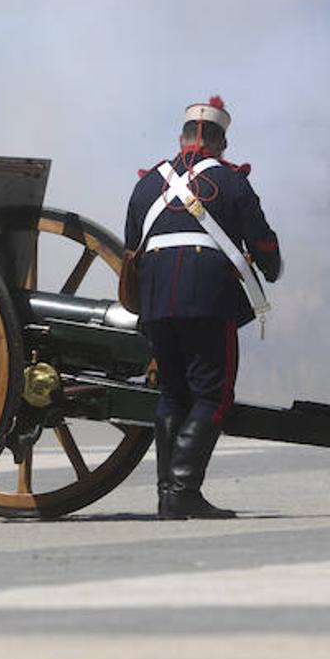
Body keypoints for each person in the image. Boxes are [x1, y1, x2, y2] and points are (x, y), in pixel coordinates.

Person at [124, 96, 282, 519]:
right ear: (221, 141)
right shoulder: (231, 182)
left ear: (183, 138)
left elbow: (129, 249)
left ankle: (167, 495)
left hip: (157, 300)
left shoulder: (146, 184)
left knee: (172, 394)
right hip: (207, 299)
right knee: (212, 394)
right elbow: (261, 240)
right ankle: (182, 489)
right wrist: (272, 267)